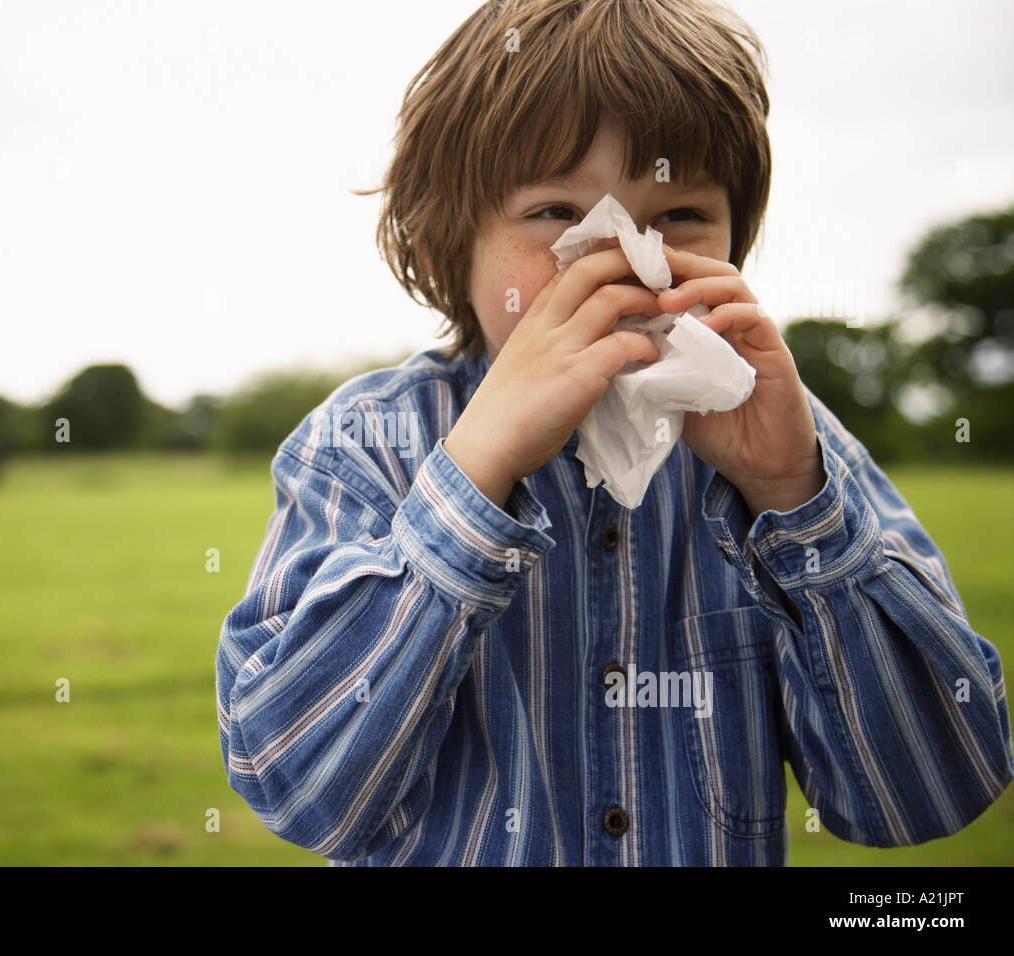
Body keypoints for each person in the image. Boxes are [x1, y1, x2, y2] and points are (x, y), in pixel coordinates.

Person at [214, 0, 1013, 865]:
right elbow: (292, 781)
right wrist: (475, 476)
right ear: (455, 246)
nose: (624, 258)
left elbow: (932, 790)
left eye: (678, 218)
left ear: (737, 247)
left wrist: (794, 498)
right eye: (559, 211)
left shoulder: (790, 449)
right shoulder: (365, 444)